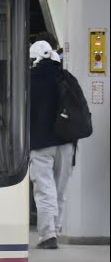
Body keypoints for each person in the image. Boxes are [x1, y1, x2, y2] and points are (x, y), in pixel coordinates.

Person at [28, 39, 74, 249]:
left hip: (41, 144)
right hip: (67, 143)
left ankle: (48, 236)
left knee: (44, 189)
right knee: (60, 191)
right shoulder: (66, 77)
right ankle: (56, 228)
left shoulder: (30, 79)